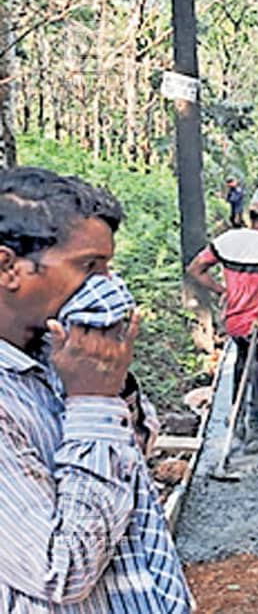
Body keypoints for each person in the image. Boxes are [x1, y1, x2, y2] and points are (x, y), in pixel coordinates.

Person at [0, 167, 192, 611]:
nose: (106, 285)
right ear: (9, 267)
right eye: (88, 266)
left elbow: (133, 458)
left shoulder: (58, 351)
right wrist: (92, 401)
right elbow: (62, 571)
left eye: (108, 266)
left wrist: (112, 385)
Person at [186, 186, 258, 453]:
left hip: (235, 321)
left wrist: (222, 291)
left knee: (242, 367)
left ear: (249, 214)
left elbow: (195, 269)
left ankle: (237, 421)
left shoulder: (228, 241)